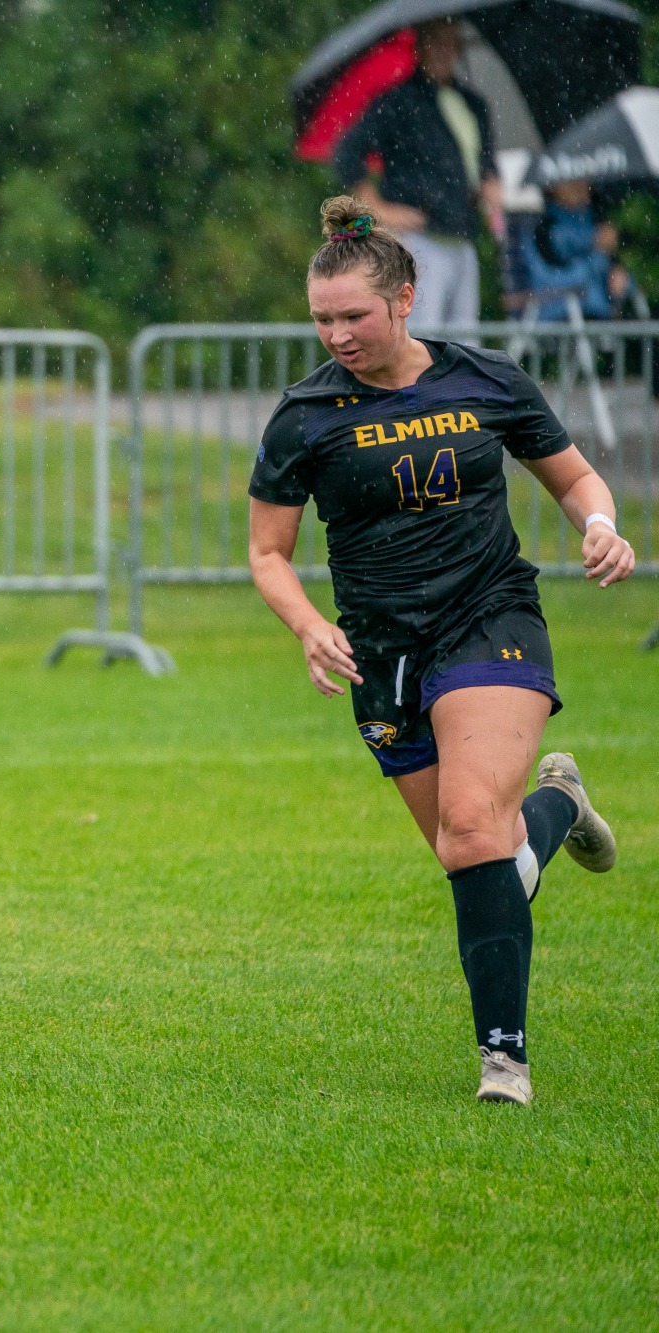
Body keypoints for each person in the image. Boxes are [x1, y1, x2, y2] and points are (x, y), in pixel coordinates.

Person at [247, 196, 635, 1107]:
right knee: (483, 859)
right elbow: (268, 553)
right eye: (322, 319)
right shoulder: (304, 416)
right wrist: (309, 624)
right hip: (382, 650)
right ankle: (557, 802)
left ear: (406, 298)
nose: (337, 334)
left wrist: (603, 525)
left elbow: (575, 477)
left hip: (490, 619)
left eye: (354, 315)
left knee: (469, 829)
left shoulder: (485, 381)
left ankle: (504, 1060)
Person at [332, 19, 504, 332]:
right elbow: (346, 152)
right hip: (419, 238)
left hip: (463, 236)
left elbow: (485, 167)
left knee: (464, 345)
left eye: (450, 42)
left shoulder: (474, 105)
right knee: (421, 339)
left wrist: (490, 188)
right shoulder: (398, 101)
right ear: (419, 46)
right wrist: (377, 209)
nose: (443, 50)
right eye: (434, 41)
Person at [512, 178, 637, 322]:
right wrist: (598, 250)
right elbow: (554, 277)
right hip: (560, 318)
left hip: (601, 318)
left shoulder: (596, 222)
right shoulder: (542, 229)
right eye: (570, 181)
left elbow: (616, 274)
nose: (578, 186)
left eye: (583, 179)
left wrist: (621, 279)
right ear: (552, 188)